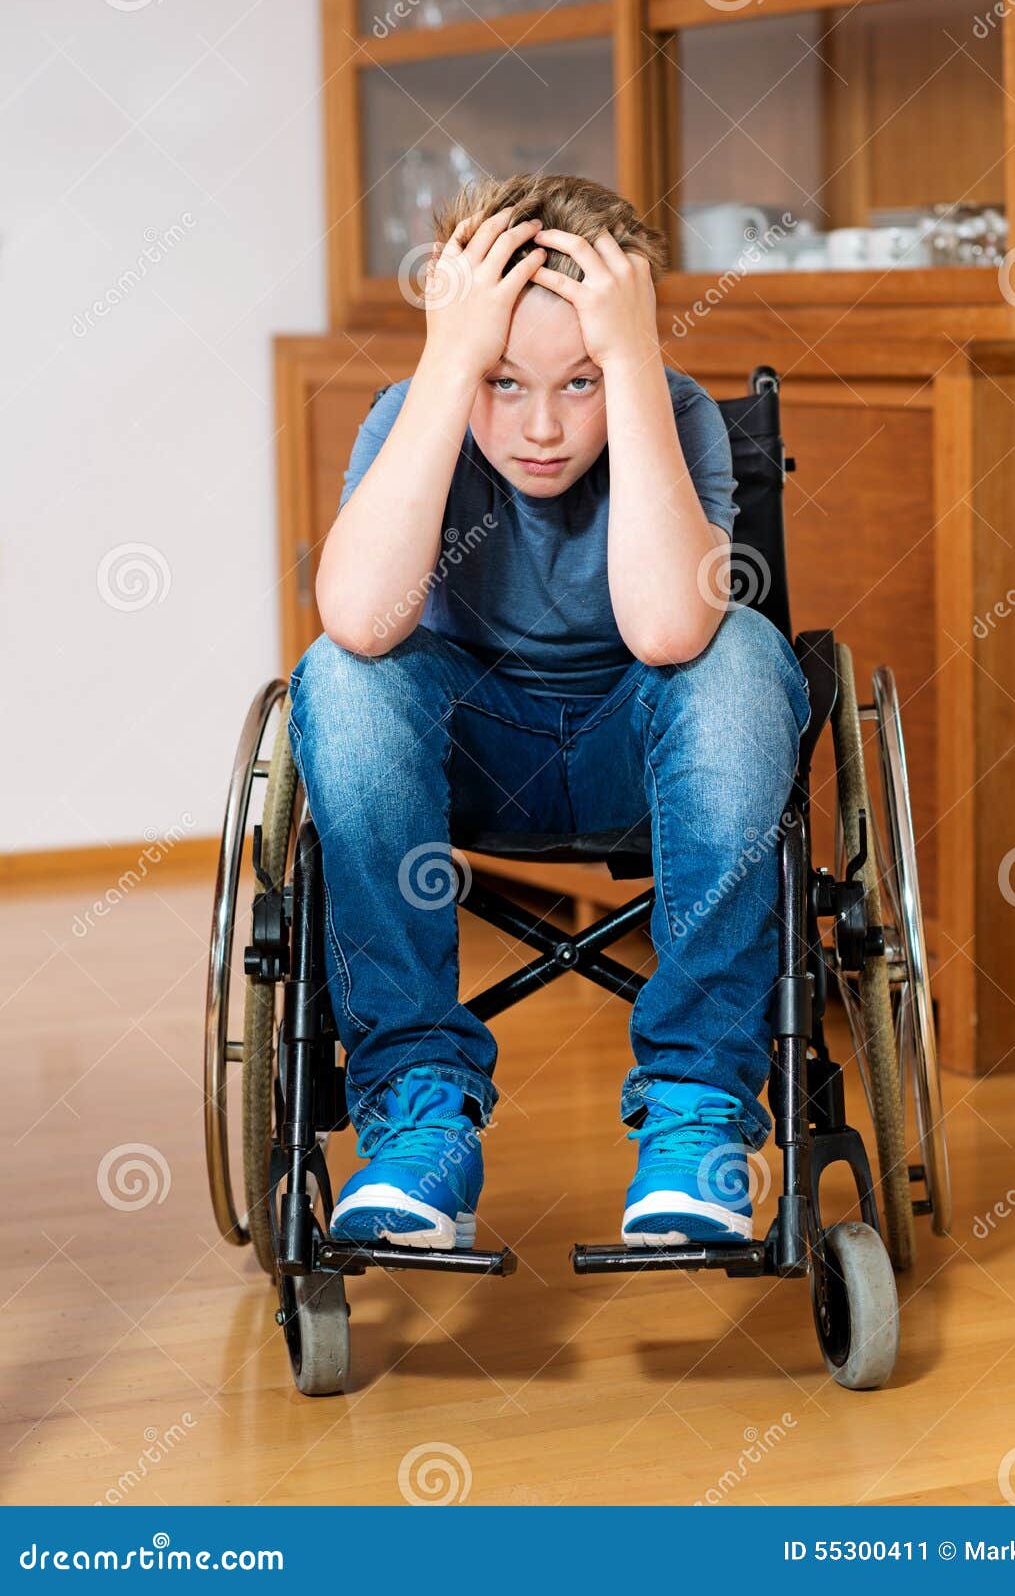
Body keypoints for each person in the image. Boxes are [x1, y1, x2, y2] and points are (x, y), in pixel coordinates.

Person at [285, 172, 811, 1252]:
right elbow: (360, 619)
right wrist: (447, 365)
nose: (541, 427)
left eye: (579, 382)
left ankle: (696, 1110)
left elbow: (669, 632)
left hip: (646, 750)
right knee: (342, 671)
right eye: (505, 381)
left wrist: (634, 366)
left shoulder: (677, 414)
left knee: (741, 649)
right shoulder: (411, 413)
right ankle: (421, 1112)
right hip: (468, 759)